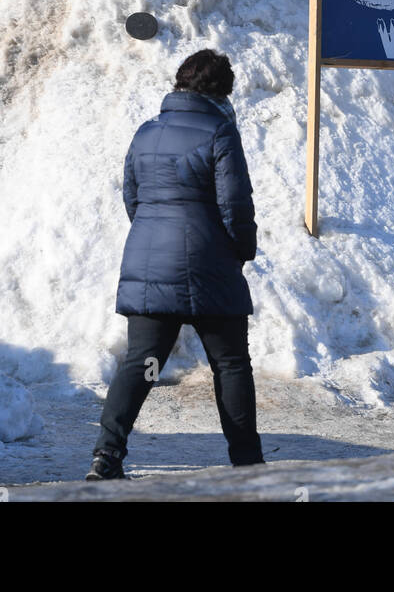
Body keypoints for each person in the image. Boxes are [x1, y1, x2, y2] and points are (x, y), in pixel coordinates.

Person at [86, 48, 264, 480]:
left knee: (143, 364)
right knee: (230, 364)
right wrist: (241, 249)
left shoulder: (146, 132)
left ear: (179, 84)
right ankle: (247, 464)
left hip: (151, 268)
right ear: (223, 90)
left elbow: (133, 197)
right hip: (211, 270)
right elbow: (234, 205)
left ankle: (106, 456)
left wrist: (153, 240)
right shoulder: (221, 131)